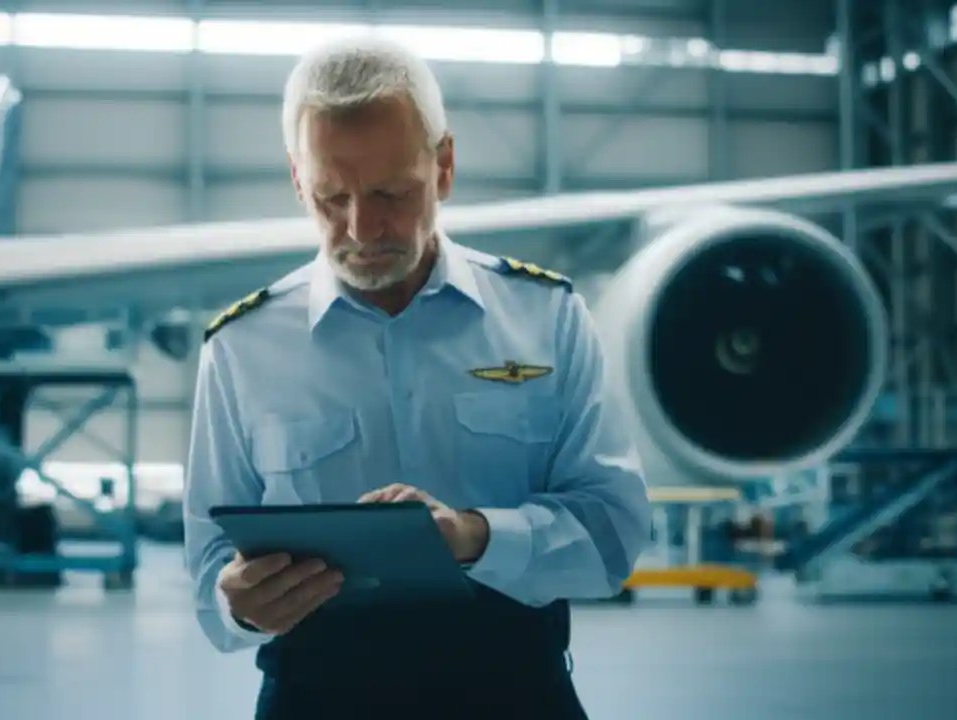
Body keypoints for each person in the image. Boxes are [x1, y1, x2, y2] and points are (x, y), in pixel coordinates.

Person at [183, 35, 652, 720]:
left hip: (515, 695)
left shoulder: (545, 318)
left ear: (445, 166)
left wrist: (470, 536)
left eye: (391, 193)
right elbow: (205, 568)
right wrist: (240, 603)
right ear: (296, 180)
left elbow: (612, 533)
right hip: (315, 699)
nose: (361, 226)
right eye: (329, 196)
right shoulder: (242, 347)